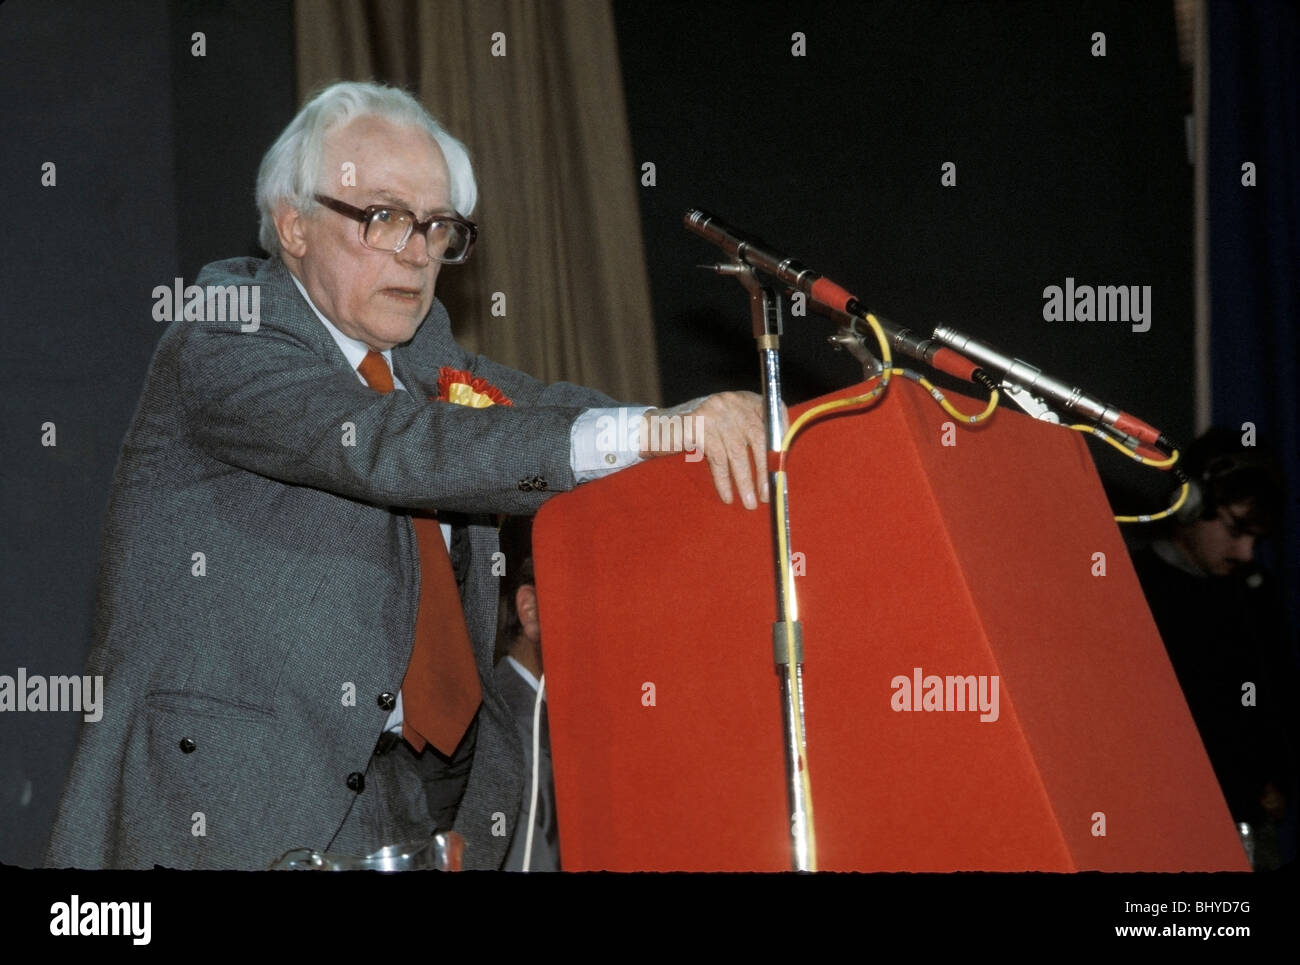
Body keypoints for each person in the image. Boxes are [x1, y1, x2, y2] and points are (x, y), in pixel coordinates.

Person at [44, 80, 769, 871]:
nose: (418, 252)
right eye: (383, 217)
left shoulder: (423, 356)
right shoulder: (227, 328)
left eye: (437, 227)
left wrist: (679, 430)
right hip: (220, 807)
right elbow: (387, 446)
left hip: (392, 811)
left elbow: (538, 411)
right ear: (293, 224)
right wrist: (647, 431)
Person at [1128, 427, 1295, 869]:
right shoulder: (1131, 587)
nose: (1245, 551)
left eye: (1256, 538)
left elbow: (1275, 696)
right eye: (1237, 529)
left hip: (1248, 833)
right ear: (1192, 503)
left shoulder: (1253, 593)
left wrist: (1277, 778)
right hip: (1162, 829)